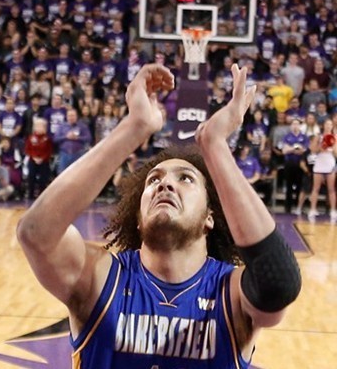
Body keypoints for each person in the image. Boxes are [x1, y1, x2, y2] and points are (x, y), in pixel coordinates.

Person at [18, 64, 301, 368]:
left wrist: (214, 144)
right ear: (138, 218)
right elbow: (36, 233)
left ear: (210, 217)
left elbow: (279, 283)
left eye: (186, 179)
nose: (165, 183)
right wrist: (135, 127)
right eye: (153, 180)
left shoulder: (230, 291)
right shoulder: (100, 279)